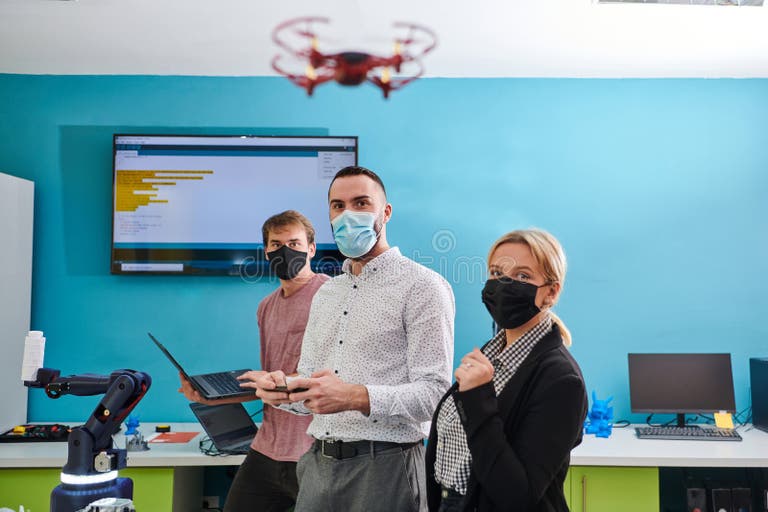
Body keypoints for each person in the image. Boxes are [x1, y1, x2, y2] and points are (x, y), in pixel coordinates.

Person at [243, 166, 455, 512]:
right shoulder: (328, 293)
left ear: (385, 213)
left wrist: (355, 397)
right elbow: (312, 385)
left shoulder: (423, 287)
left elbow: (435, 394)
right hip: (317, 467)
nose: (347, 215)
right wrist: (283, 389)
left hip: (385, 467)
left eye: (360, 203)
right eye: (337, 206)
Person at [426, 229, 588, 512]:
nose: (504, 285)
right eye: (497, 273)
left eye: (523, 276)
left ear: (551, 292)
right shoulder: (490, 353)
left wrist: (477, 397)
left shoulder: (562, 380)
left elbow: (518, 495)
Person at [179, 210, 329, 512]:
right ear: (266, 252)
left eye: (295, 243)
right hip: (267, 449)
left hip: (314, 451)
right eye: (276, 244)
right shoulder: (266, 307)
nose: (285, 251)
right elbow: (268, 382)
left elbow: (331, 378)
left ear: (312, 249)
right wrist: (213, 398)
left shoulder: (330, 296)